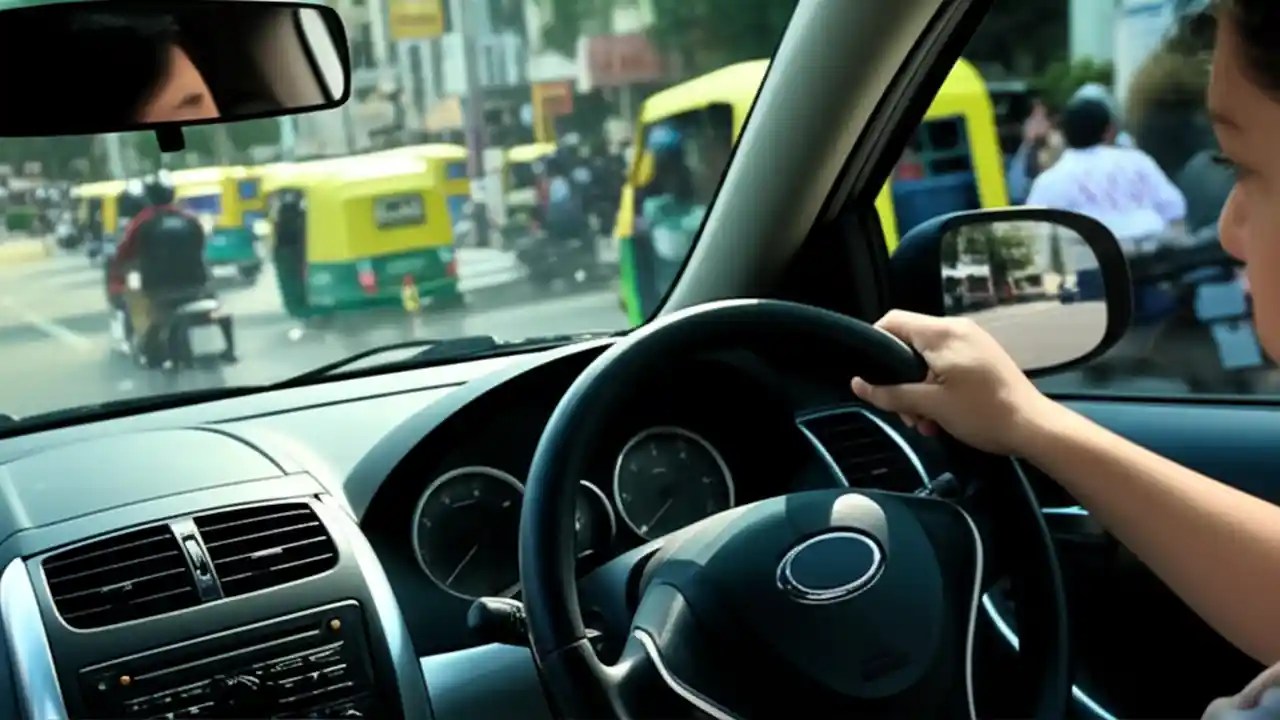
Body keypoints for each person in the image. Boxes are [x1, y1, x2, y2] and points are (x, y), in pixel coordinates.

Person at [849, 1, 1280, 716]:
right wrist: (1030, 422)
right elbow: (1178, 216)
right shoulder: (1137, 164)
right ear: (1107, 126)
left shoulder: (1049, 185)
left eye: (1243, 166)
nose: (1232, 227)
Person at [113, 174, 234, 366]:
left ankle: (149, 351)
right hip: (196, 285)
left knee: (146, 310)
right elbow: (200, 245)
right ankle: (229, 351)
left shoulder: (141, 222)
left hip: (159, 290)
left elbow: (124, 254)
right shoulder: (189, 219)